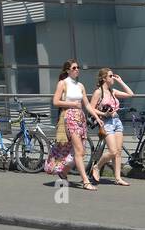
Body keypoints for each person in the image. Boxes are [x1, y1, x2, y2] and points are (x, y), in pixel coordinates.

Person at [46, 59, 100, 190]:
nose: (77, 70)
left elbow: (87, 104)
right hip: (69, 117)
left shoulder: (80, 85)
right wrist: (72, 104)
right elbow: (56, 101)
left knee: (80, 152)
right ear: (67, 70)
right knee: (79, 151)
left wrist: (97, 117)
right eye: (74, 68)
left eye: (78, 68)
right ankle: (86, 181)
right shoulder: (63, 83)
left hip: (81, 118)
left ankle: (63, 172)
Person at [89, 68, 134, 187]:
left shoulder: (113, 91)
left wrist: (120, 81)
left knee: (118, 152)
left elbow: (130, 94)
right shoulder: (99, 92)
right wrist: (104, 114)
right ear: (104, 78)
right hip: (106, 122)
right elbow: (91, 108)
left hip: (117, 121)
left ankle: (118, 178)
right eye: (110, 76)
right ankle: (97, 167)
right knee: (113, 151)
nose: (112, 78)